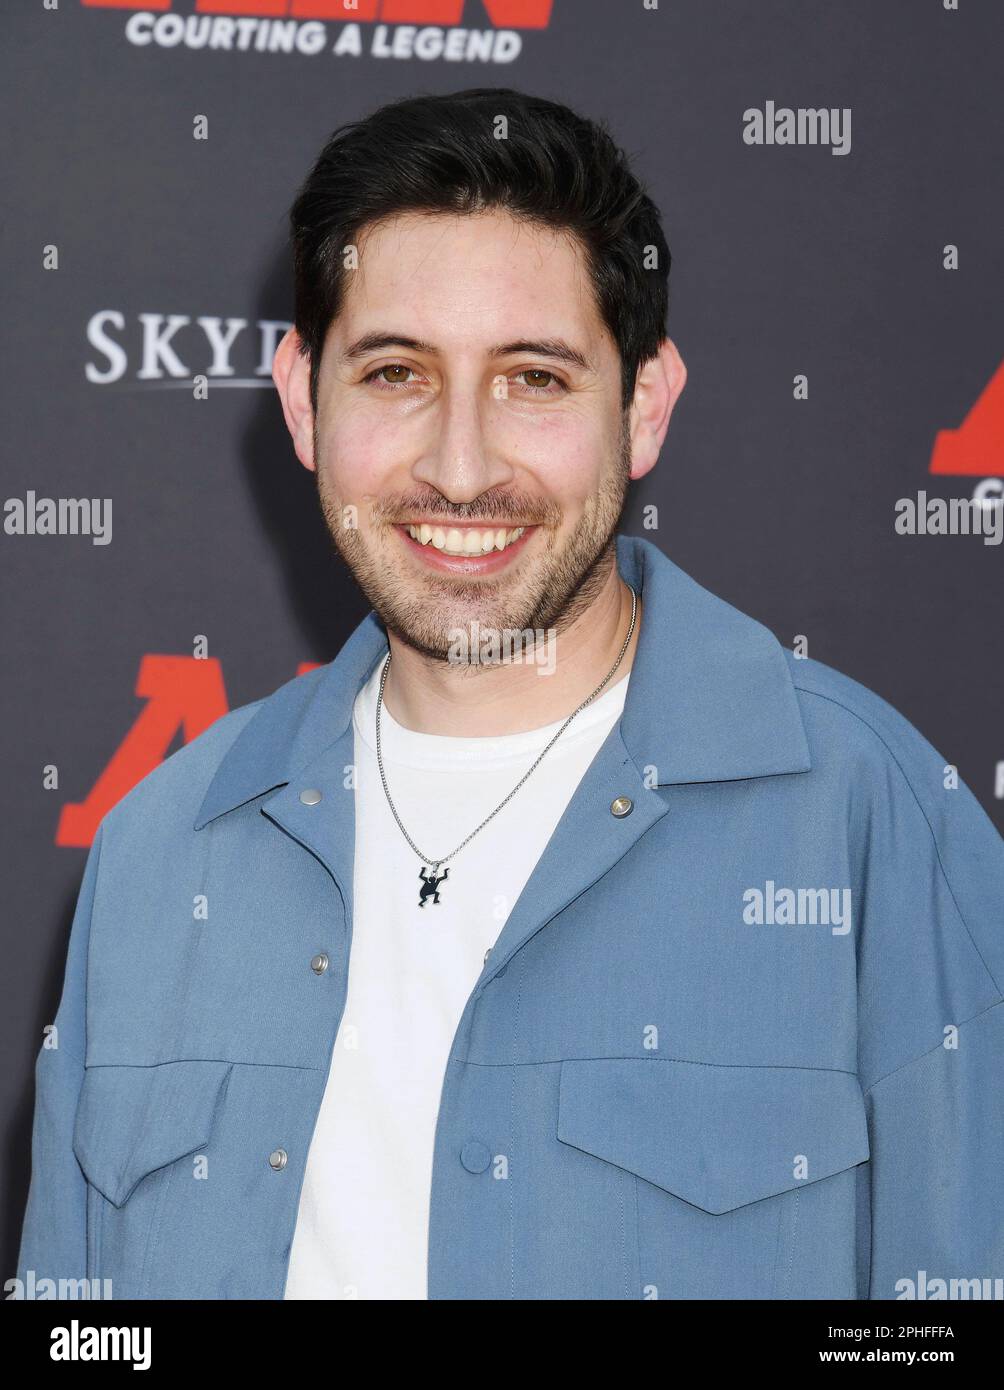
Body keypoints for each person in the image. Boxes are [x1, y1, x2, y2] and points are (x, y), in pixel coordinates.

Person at [15, 88, 1004, 1302]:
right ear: (299, 398)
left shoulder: (873, 817)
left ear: (640, 406)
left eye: (532, 379)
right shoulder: (162, 849)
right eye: (393, 372)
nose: (461, 466)